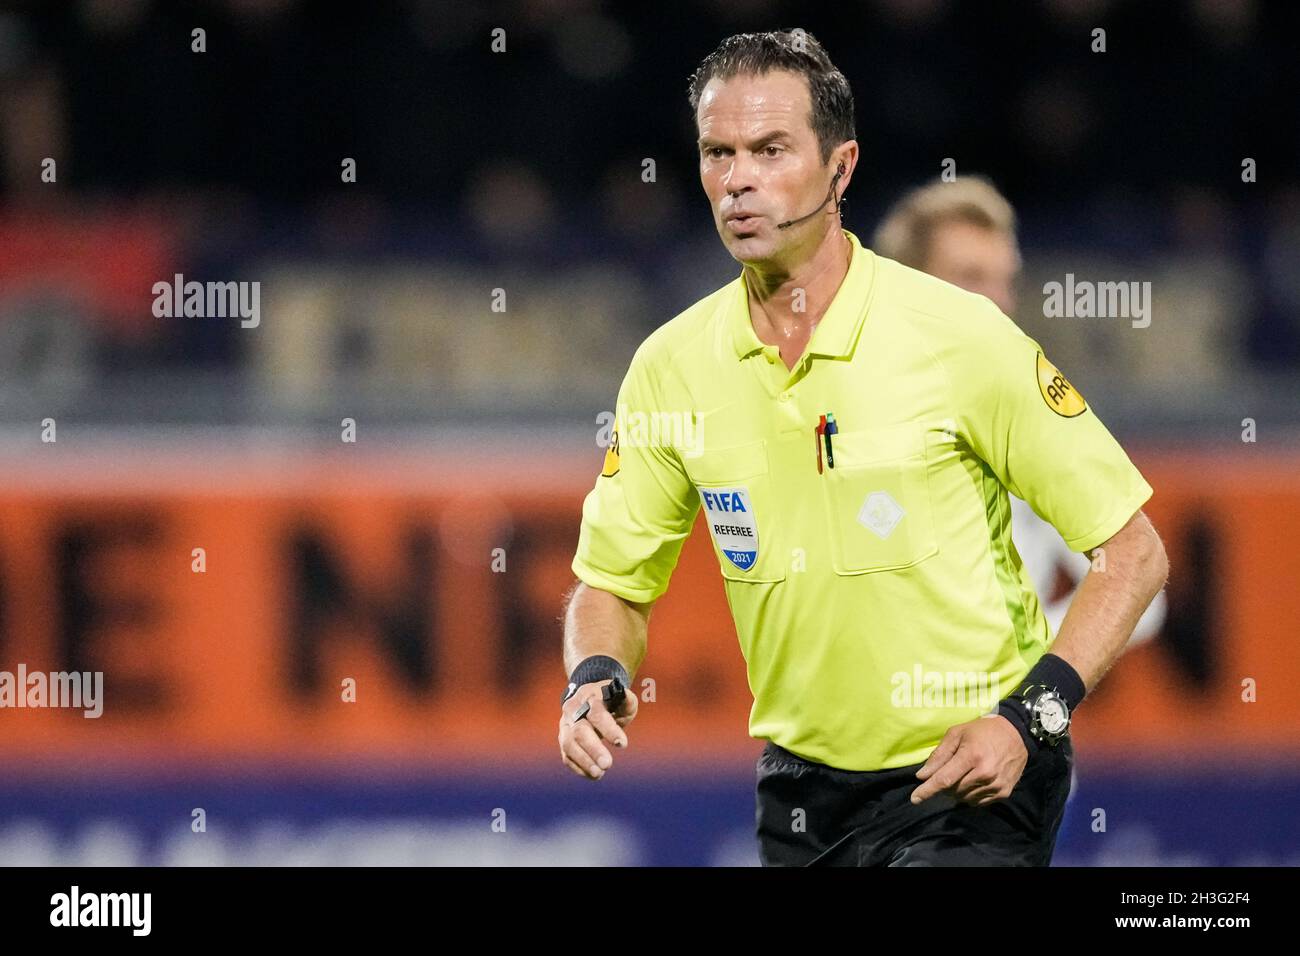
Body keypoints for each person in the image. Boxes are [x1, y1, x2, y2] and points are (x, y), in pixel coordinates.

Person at [558, 30, 1169, 866]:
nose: (738, 179)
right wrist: (594, 671)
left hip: (973, 777)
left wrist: (1033, 720)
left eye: (771, 150)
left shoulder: (960, 337)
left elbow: (1132, 553)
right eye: (717, 152)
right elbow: (614, 583)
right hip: (803, 798)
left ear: (841, 169)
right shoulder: (672, 368)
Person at [872, 175, 1167, 647]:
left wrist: (1018, 662)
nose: (998, 303)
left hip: (997, 717)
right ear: (906, 283)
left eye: (1006, 281)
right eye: (971, 278)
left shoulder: (1028, 413)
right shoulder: (840, 407)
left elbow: (1141, 587)